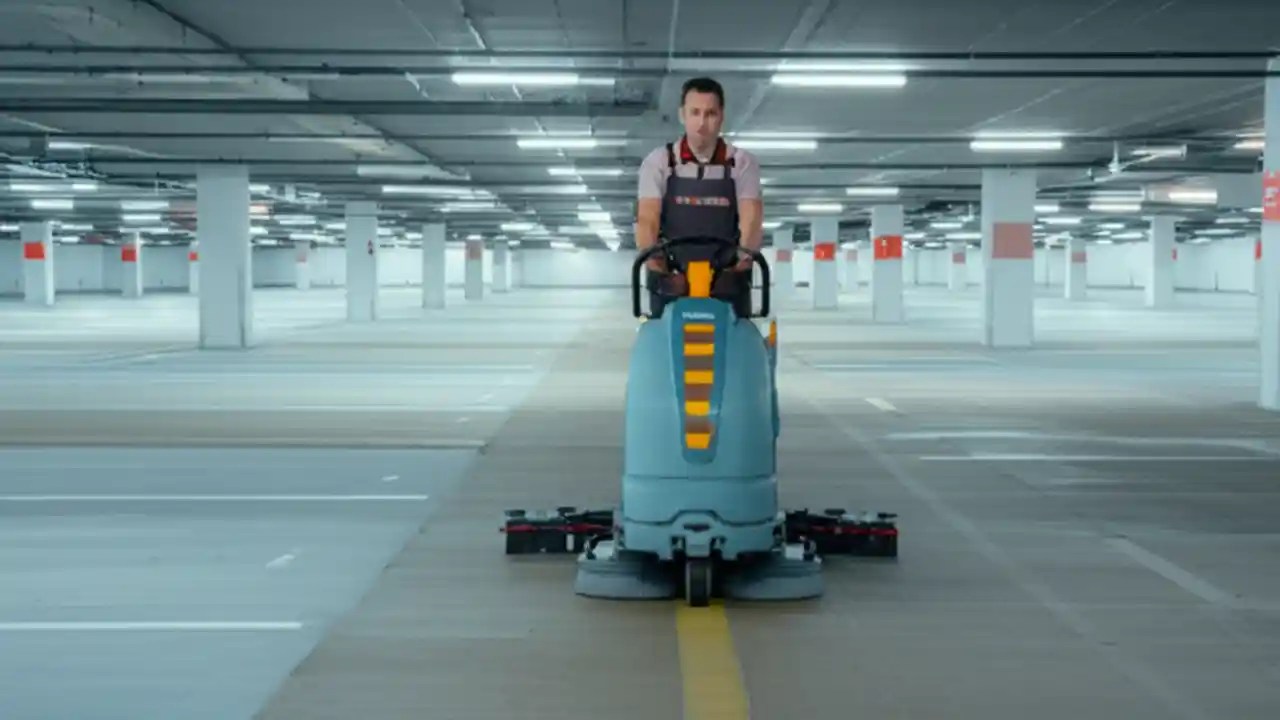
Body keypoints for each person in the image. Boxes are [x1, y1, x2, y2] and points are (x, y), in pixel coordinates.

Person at [635, 76, 763, 318]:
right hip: (672, 277)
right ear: (682, 115)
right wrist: (656, 267)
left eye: (710, 113)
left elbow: (752, 219)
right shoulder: (660, 162)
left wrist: (743, 264)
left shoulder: (741, 163)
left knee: (736, 346)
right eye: (695, 112)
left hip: (728, 279)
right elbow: (647, 219)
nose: (702, 122)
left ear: (721, 116)